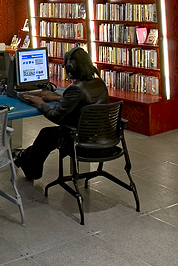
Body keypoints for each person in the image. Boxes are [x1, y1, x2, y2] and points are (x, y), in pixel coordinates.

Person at [13, 47, 108, 181]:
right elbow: (83, 101)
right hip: (103, 138)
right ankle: (24, 157)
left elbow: (56, 116)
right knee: (48, 135)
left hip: (81, 141)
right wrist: (59, 98)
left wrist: (40, 103)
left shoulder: (75, 88)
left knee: (46, 134)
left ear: (71, 68)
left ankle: (29, 166)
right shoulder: (100, 83)